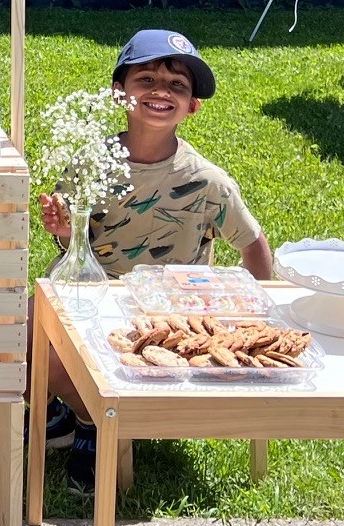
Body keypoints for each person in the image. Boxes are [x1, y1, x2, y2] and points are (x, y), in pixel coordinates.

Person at [38, 28, 273, 492]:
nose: (161, 91)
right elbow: (76, 249)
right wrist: (67, 233)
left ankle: (91, 423)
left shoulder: (208, 182)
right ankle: (76, 414)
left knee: (90, 358)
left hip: (165, 311)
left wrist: (254, 314)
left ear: (193, 106)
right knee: (28, 328)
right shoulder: (92, 160)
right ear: (118, 93)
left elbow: (252, 245)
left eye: (177, 86)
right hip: (94, 292)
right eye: (146, 79)